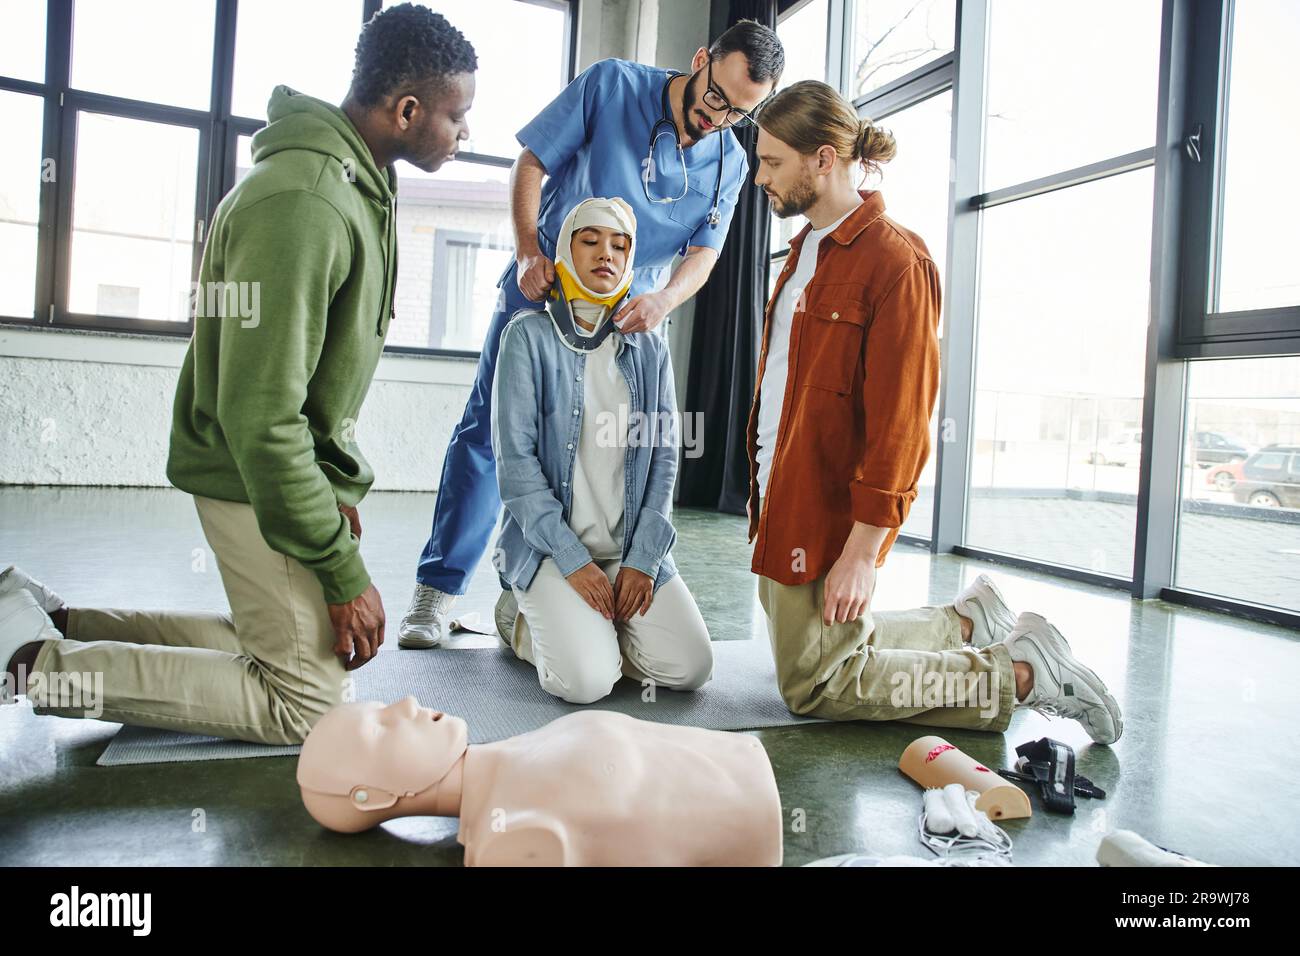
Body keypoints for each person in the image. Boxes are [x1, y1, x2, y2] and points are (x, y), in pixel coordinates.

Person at [0, 6, 478, 744]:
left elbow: (301, 392)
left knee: (305, 654)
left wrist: (331, 496)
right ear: (407, 109)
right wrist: (338, 565)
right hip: (246, 469)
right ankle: (31, 660)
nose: (465, 133)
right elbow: (261, 416)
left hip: (269, 466)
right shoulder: (307, 202)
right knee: (307, 703)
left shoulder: (357, 184)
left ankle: (51, 619)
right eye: (458, 115)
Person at [747, 81, 1124, 744]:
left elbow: (903, 421)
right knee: (813, 651)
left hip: (827, 505)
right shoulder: (805, 249)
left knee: (818, 684)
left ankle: (1020, 674)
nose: (760, 177)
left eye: (773, 162)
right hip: (786, 489)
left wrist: (863, 551)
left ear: (824, 159)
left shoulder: (896, 260)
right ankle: (966, 622)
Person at [399, 20, 785, 648]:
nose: (720, 119)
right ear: (700, 61)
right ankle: (435, 593)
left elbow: (705, 252)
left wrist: (663, 298)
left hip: (630, 317)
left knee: (614, 450)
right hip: (543, 289)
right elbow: (531, 163)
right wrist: (528, 251)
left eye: (741, 113)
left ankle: (540, 589)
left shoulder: (731, 159)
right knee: (491, 437)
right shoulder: (612, 86)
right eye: (718, 98)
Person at [490, 197, 712, 704]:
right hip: (551, 549)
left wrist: (645, 559)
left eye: (619, 245)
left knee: (690, 668)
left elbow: (664, 456)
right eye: (589, 240)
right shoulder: (527, 337)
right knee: (587, 683)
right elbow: (517, 467)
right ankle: (518, 619)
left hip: (627, 548)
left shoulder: (649, 344)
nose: (605, 254)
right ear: (566, 251)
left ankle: (590, 635)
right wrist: (571, 559)